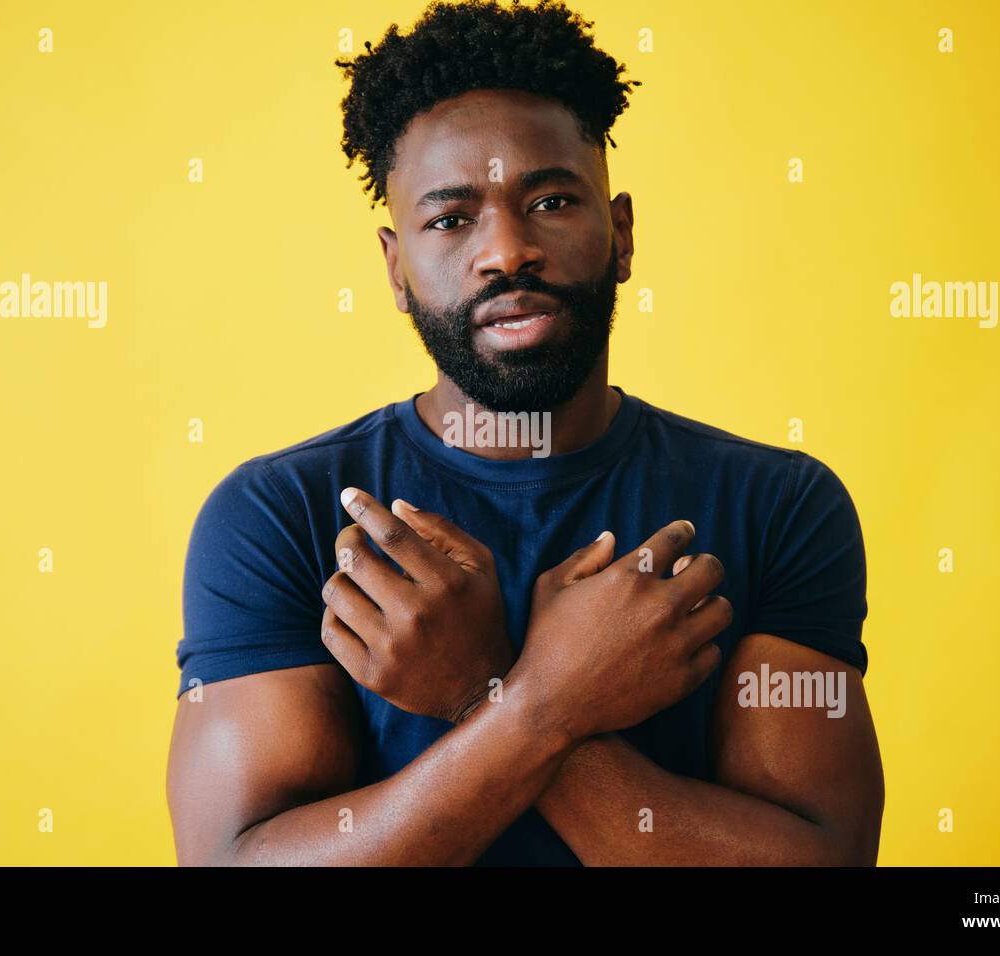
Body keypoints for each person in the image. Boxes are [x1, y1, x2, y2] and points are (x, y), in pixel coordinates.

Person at [166, 0, 883, 866]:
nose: (506, 251)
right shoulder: (276, 515)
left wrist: (482, 688)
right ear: (396, 269)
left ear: (620, 234)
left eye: (548, 200)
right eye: (451, 218)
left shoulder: (780, 504)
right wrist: (539, 702)